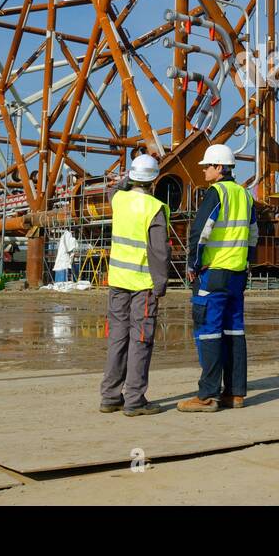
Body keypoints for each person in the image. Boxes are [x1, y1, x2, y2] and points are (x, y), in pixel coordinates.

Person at [178, 144, 257, 412]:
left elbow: (200, 231)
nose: (204, 171)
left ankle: (207, 396)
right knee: (234, 332)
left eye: (208, 166)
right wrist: (247, 263)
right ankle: (235, 394)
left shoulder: (216, 192)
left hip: (213, 274)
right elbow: (254, 235)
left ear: (220, 168)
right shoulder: (245, 195)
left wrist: (193, 264)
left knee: (208, 331)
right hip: (237, 274)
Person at [99, 154, 171, 417]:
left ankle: (110, 396)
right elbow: (159, 252)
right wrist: (160, 285)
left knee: (117, 337)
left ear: (132, 176)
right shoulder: (155, 208)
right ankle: (134, 400)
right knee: (140, 339)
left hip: (117, 280)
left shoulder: (118, 199)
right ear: (154, 179)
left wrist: (128, 177)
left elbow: (114, 188)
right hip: (143, 283)